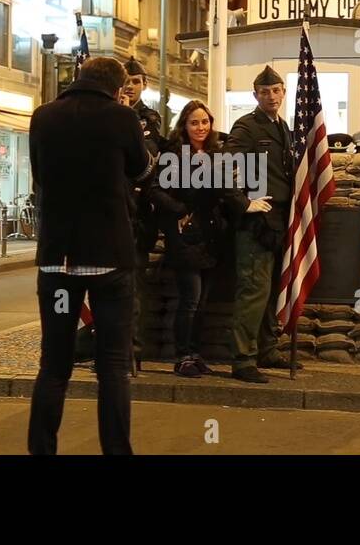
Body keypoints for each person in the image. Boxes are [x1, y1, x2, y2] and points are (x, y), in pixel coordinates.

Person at [28, 57, 153, 455]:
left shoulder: (43, 116)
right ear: (118, 90)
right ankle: (116, 451)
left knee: (54, 365)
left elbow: (39, 174)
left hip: (57, 257)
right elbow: (140, 170)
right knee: (113, 365)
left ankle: (42, 449)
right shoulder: (121, 118)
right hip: (108, 257)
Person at [150, 100, 269, 377]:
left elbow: (228, 189)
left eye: (205, 122)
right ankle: (183, 357)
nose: (200, 127)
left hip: (211, 236)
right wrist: (180, 210)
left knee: (202, 303)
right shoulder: (175, 155)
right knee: (189, 300)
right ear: (184, 125)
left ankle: (195, 352)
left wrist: (245, 203)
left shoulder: (218, 153)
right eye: (194, 122)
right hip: (184, 236)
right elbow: (155, 191)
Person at [224, 65, 301, 384]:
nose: (271, 96)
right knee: (254, 289)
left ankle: (268, 349)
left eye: (277, 90)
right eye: (265, 91)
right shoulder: (247, 127)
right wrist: (244, 202)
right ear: (255, 95)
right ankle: (243, 359)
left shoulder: (283, 127)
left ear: (284, 92)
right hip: (257, 222)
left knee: (272, 289)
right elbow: (226, 167)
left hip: (280, 218)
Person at [122, 57, 164, 371]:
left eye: (135, 81)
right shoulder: (105, 113)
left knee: (133, 286)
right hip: (107, 212)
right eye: (125, 80)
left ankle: (131, 350)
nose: (129, 86)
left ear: (144, 84)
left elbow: (146, 159)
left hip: (135, 216)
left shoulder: (148, 118)